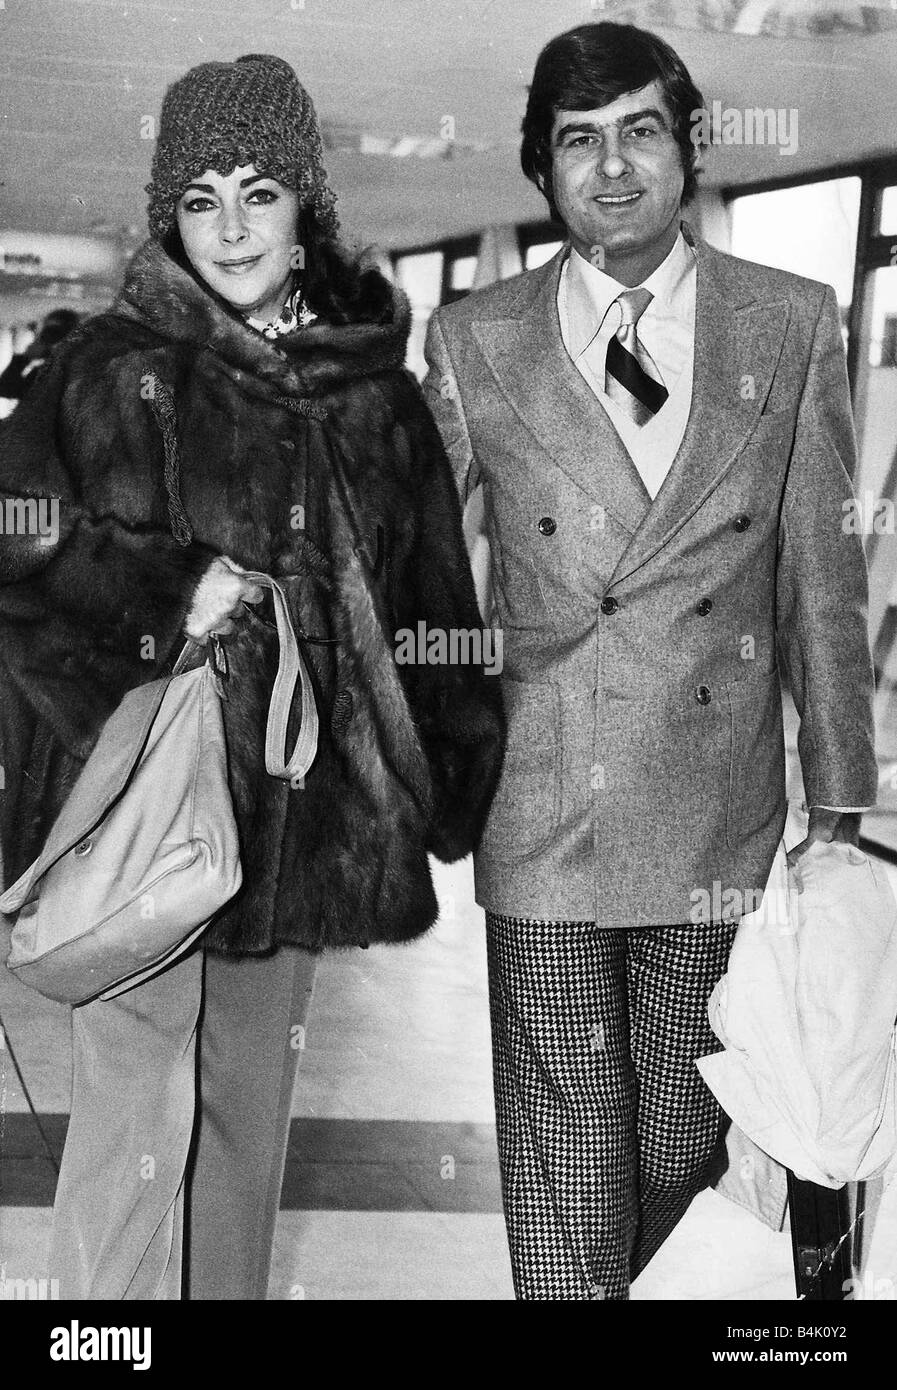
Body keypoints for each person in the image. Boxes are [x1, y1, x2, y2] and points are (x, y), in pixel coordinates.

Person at [0, 53, 504, 1300]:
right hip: (145, 801)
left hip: (305, 813)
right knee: (130, 1105)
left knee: (244, 1117)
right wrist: (169, 592)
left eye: (259, 192)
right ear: (168, 210)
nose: (230, 227)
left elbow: (439, 600)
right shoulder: (108, 371)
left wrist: (458, 780)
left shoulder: (375, 395)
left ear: (305, 208)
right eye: (202, 195)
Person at [423, 20, 877, 1300]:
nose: (612, 167)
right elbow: (417, 561)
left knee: (688, 1152)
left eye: (639, 132)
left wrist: (838, 798)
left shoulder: (789, 322)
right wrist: (430, 739)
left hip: (719, 814)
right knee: (566, 1172)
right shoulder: (477, 338)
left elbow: (822, 572)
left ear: (689, 151)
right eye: (578, 141)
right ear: (543, 167)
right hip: (543, 808)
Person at [0, 309, 80, 405]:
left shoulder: (54, 369)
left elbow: (7, 391)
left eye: (51, 333)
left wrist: (22, 358)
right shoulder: (71, 363)